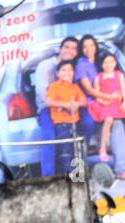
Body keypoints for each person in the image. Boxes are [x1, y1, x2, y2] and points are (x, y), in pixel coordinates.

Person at [35, 37, 81, 176]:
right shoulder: (45, 66)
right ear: (60, 49)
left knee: (87, 123)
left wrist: (75, 105)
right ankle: (48, 177)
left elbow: (79, 93)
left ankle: (78, 169)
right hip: (47, 109)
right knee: (49, 139)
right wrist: (64, 105)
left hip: (70, 110)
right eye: (67, 47)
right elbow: (42, 96)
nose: (70, 51)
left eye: (74, 48)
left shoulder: (74, 67)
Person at [46, 58, 88, 175]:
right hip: (62, 124)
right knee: (65, 152)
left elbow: (84, 101)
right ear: (57, 73)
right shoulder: (54, 86)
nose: (67, 73)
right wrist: (66, 105)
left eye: (70, 70)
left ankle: (79, 178)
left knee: (77, 150)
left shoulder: (74, 87)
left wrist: (75, 105)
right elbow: (48, 101)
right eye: (63, 70)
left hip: (75, 123)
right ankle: (68, 177)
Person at [88, 50, 125, 163]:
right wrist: (104, 101)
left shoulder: (119, 75)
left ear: (115, 63)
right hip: (105, 104)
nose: (109, 65)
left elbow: (124, 89)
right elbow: (97, 93)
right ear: (101, 65)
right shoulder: (99, 77)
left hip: (118, 103)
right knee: (109, 119)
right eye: (105, 63)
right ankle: (103, 148)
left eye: (111, 62)